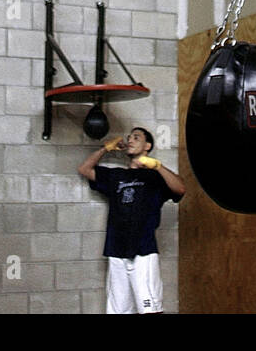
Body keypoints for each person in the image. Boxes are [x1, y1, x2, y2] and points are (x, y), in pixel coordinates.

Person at [78, 126, 185, 314]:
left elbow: (180, 189)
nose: (130, 140)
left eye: (136, 137)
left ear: (147, 145)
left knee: (150, 309)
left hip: (142, 250)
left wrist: (158, 166)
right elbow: (85, 169)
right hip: (116, 249)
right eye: (129, 137)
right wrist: (105, 149)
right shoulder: (116, 175)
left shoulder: (155, 177)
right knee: (118, 311)